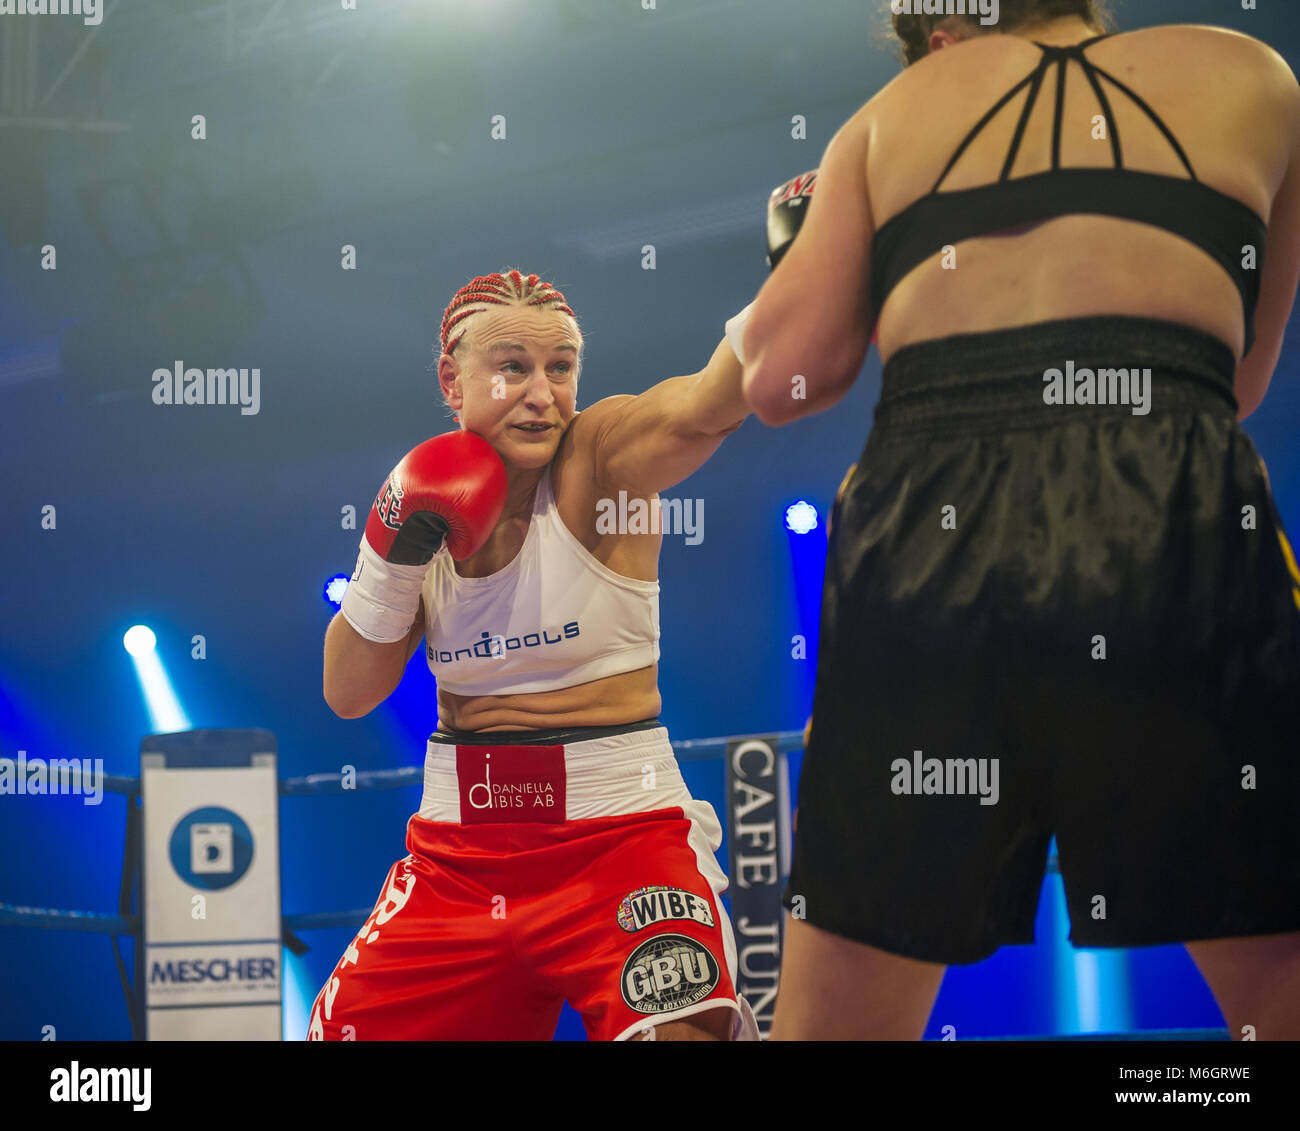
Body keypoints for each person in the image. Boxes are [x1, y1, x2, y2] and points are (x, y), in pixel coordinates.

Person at [740, 1, 1300, 1039]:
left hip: (928, 526)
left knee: (844, 1003)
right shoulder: (1256, 76)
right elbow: (1244, 375)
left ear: (941, 37)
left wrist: (803, 262)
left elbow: (784, 380)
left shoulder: (890, 113)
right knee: (1276, 953)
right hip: (1169, 494)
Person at [307, 267, 765, 1041]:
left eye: (561, 367)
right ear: (453, 380)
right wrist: (391, 555)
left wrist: (805, 269)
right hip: (458, 856)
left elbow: (704, 407)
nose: (543, 392)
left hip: (620, 842)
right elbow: (348, 691)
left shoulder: (600, 456)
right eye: (513, 366)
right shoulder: (419, 498)